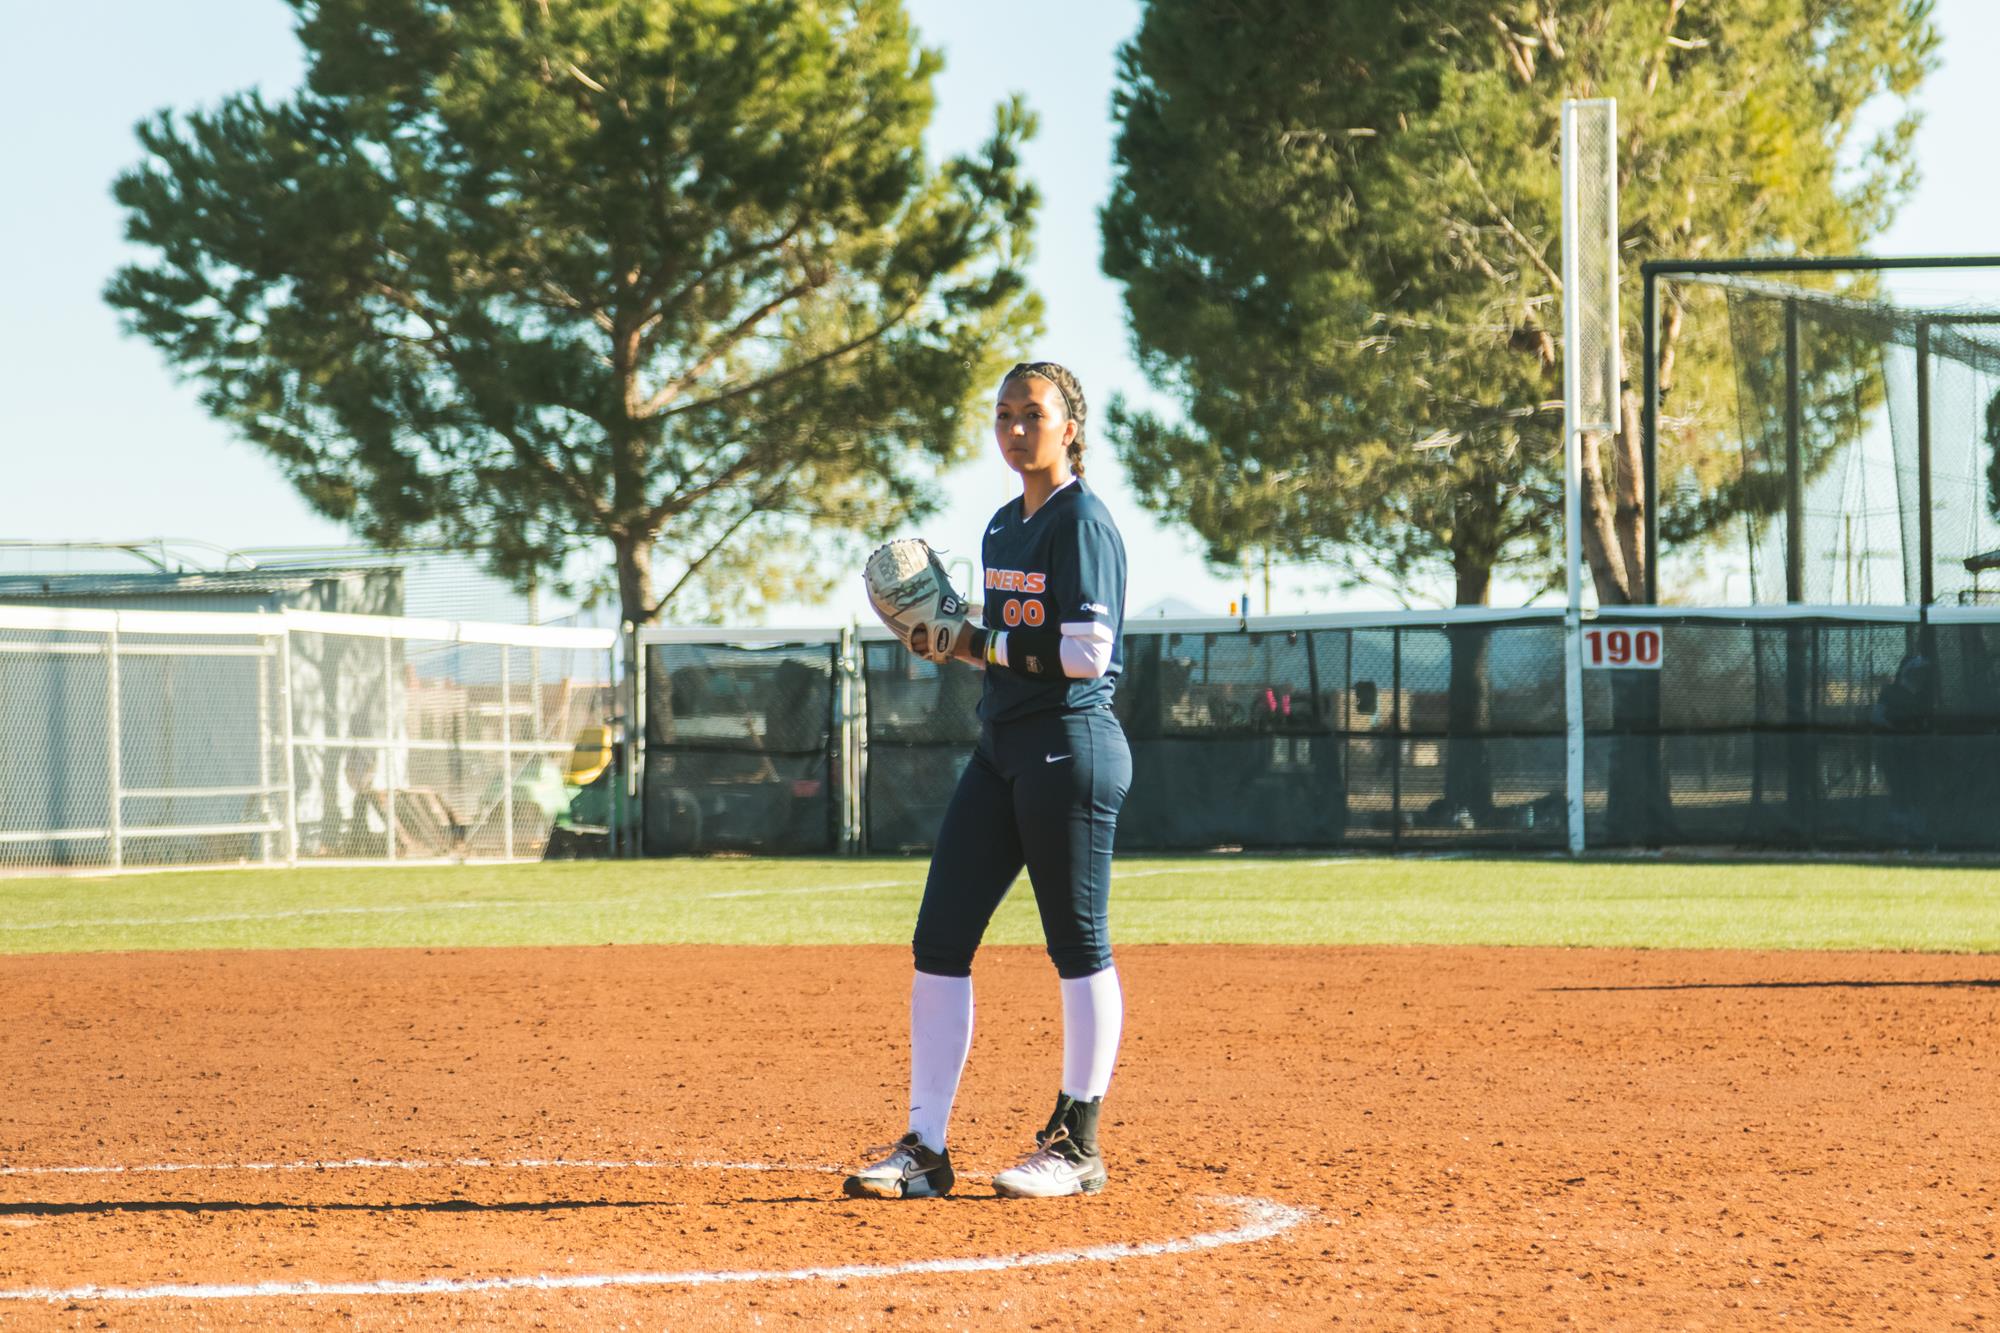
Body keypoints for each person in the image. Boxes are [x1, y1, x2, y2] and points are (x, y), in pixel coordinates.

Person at [844, 361, 1133, 1200]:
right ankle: (925, 1148)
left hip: (1070, 744)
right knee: (939, 940)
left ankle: (1077, 1143)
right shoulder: (1004, 525)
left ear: (1069, 426)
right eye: (1003, 414)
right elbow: (996, 644)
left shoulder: (1081, 523)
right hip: (1002, 745)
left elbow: (1086, 656)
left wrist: (971, 641)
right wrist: (953, 636)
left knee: (1076, 945)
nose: (1015, 428)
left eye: (1032, 413)